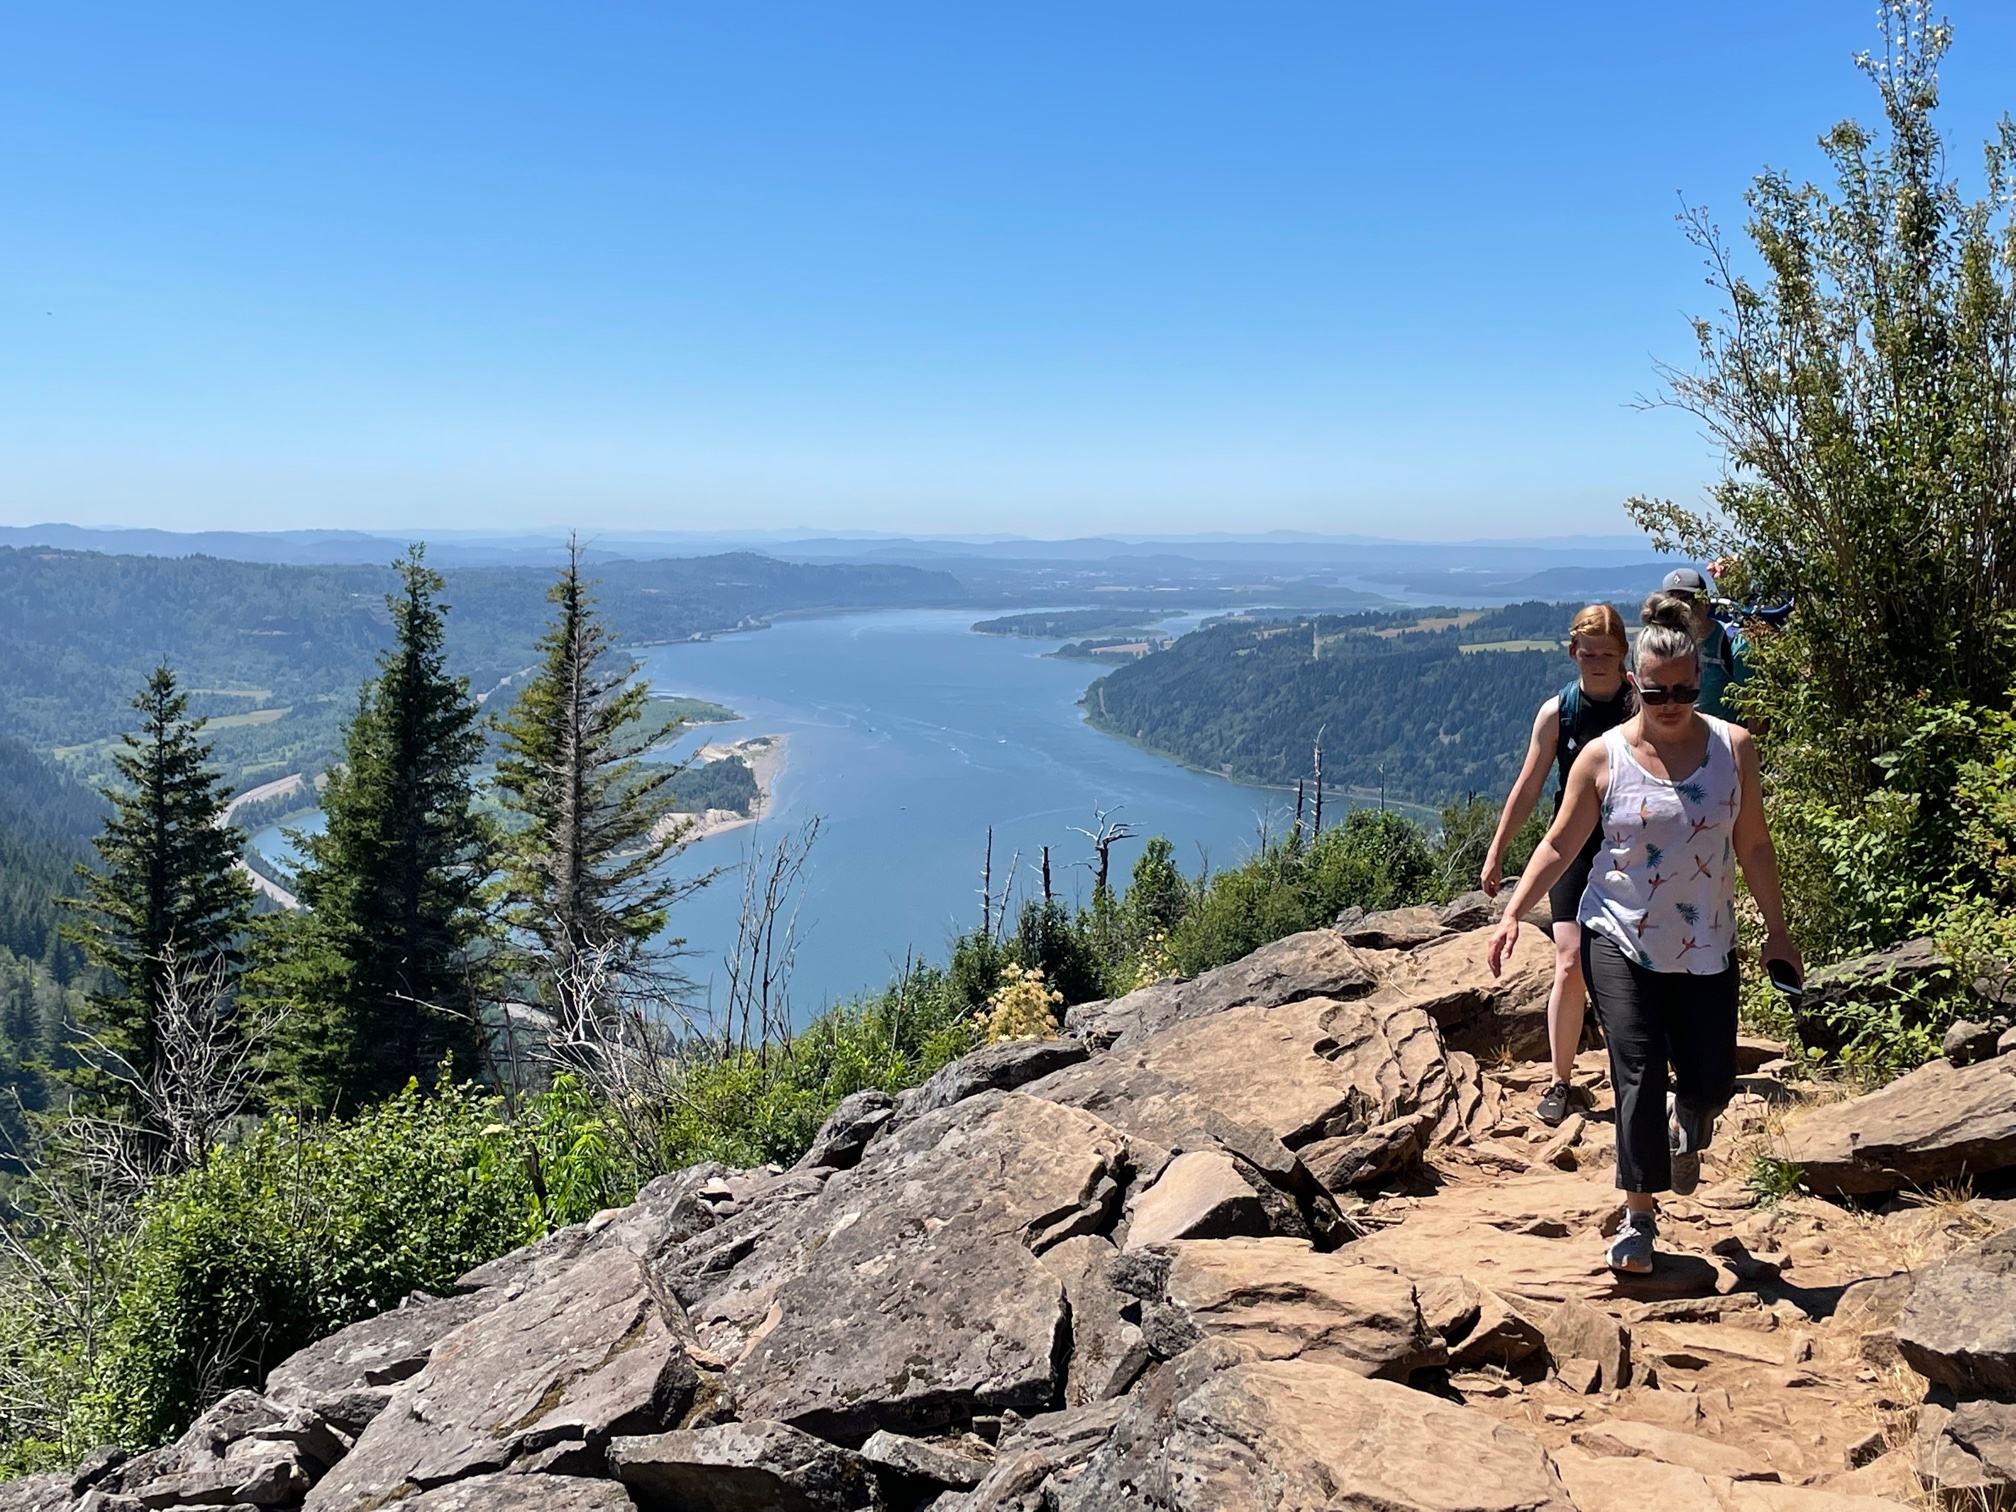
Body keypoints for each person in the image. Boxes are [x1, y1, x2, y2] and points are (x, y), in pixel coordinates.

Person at [1485, 594, 1800, 1276]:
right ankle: (1639, 1218)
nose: (1671, 702)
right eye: (1656, 690)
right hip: (1617, 934)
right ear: (1637, 684)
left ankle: (1694, 1120)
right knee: (1636, 1071)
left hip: (1707, 943)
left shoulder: (1733, 750)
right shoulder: (1601, 758)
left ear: (1698, 680)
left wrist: (1778, 930)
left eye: (1684, 689)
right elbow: (1562, 841)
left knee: (1710, 1082)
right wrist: (1514, 909)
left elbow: (1754, 846)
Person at [1480, 604, 1632, 1127]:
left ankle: (1633, 1075)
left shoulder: (1643, 703)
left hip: (1633, 851)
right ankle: (1560, 1082)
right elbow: (1528, 785)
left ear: (1623, 654)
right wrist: (1499, 849)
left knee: (1630, 962)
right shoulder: (1559, 712)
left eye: (1607, 655)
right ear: (1573, 652)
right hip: (1573, 848)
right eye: (1588, 654)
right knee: (1570, 961)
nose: (1597, 664)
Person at [1657, 567, 1750, 724]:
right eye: (1671, 604)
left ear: (1705, 604)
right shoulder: (1663, 646)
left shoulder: (1734, 645)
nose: (1681, 610)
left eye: (1688, 600)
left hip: (1724, 744)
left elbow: (1755, 718)